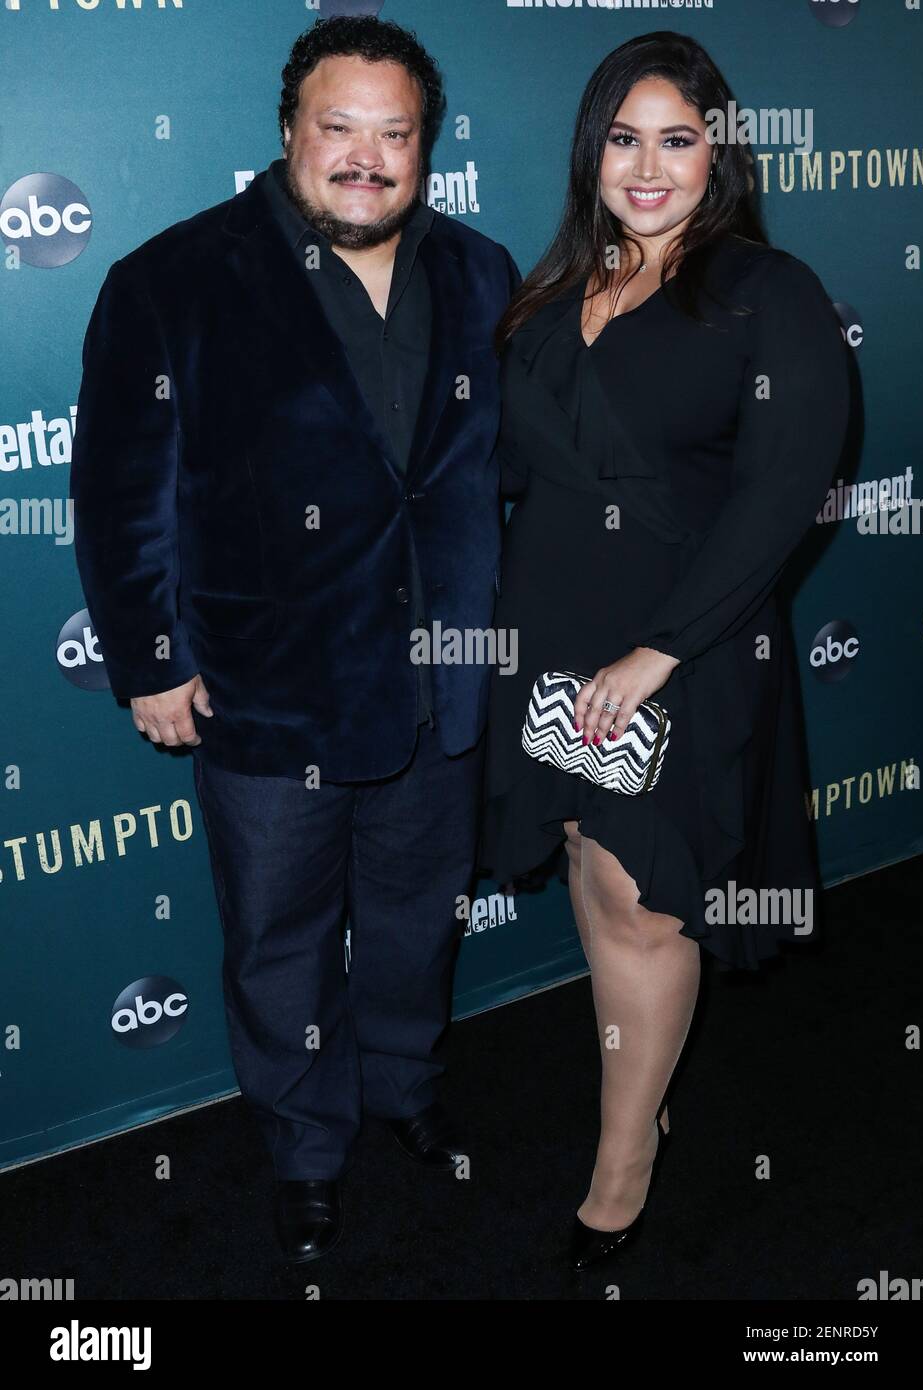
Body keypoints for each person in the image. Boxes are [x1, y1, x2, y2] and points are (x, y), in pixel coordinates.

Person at [71, 15, 519, 1264]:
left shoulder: (483, 274)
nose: (366, 157)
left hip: (438, 690)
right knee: (279, 941)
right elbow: (118, 491)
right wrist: (150, 657)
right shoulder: (174, 278)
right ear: (287, 132)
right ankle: (305, 1146)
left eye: (395, 133)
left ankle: (405, 1089)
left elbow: (504, 477)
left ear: (425, 145)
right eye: (340, 127)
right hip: (272, 697)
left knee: (420, 918)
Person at [478, 30, 851, 1271]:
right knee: (591, 866)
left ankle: (623, 1161)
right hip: (553, 634)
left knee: (644, 902)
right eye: (624, 138)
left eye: (677, 139)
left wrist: (661, 650)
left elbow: (785, 489)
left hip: (681, 645)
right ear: (592, 150)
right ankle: (641, 1085)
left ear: (719, 152)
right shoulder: (547, 289)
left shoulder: (765, 291)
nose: (648, 166)